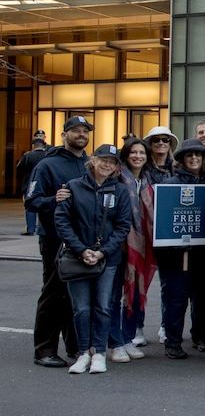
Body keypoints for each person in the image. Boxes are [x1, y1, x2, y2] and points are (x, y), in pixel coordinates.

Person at [55, 143, 133, 375]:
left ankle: (99, 352)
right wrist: (81, 249)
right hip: (77, 257)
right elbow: (62, 221)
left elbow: (123, 226)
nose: (107, 164)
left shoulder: (119, 191)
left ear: (117, 166)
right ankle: (82, 353)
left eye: (112, 161)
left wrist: (102, 251)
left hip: (107, 259)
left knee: (103, 307)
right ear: (93, 160)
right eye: (103, 159)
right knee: (81, 308)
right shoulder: (73, 187)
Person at [26, 117, 93, 367]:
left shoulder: (89, 163)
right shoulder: (47, 165)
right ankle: (44, 350)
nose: (81, 134)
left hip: (83, 241)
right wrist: (53, 199)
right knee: (54, 294)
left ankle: (75, 348)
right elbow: (31, 201)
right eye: (76, 130)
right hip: (55, 240)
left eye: (85, 131)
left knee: (75, 295)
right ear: (64, 135)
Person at [155, 139, 205, 359]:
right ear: (181, 159)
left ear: (203, 159)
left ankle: (199, 336)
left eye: (198, 155)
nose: (193, 158)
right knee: (176, 298)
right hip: (174, 254)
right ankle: (173, 342)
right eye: (189, 155)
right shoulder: (169, 184)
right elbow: (162, 218)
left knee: (203, 296)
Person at [112, 138, 152, 356]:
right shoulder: (117, 178)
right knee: (113, 297)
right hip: (118, 246)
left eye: (142, 153)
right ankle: (114, 342)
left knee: (135, 295)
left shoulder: (146, 180)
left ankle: (127, 338)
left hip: (141, 247)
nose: (138, 156)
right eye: (133, 152)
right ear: (126, 155)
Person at [17, 137, 48, 235]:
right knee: (45, 206)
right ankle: (43, 228)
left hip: (30, 184)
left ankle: (30, 229)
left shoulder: (28, 155)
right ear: (44, 145)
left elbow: (19, 168)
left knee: (30, 205)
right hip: (46, 184)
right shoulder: (48, 155)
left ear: (34, 145)